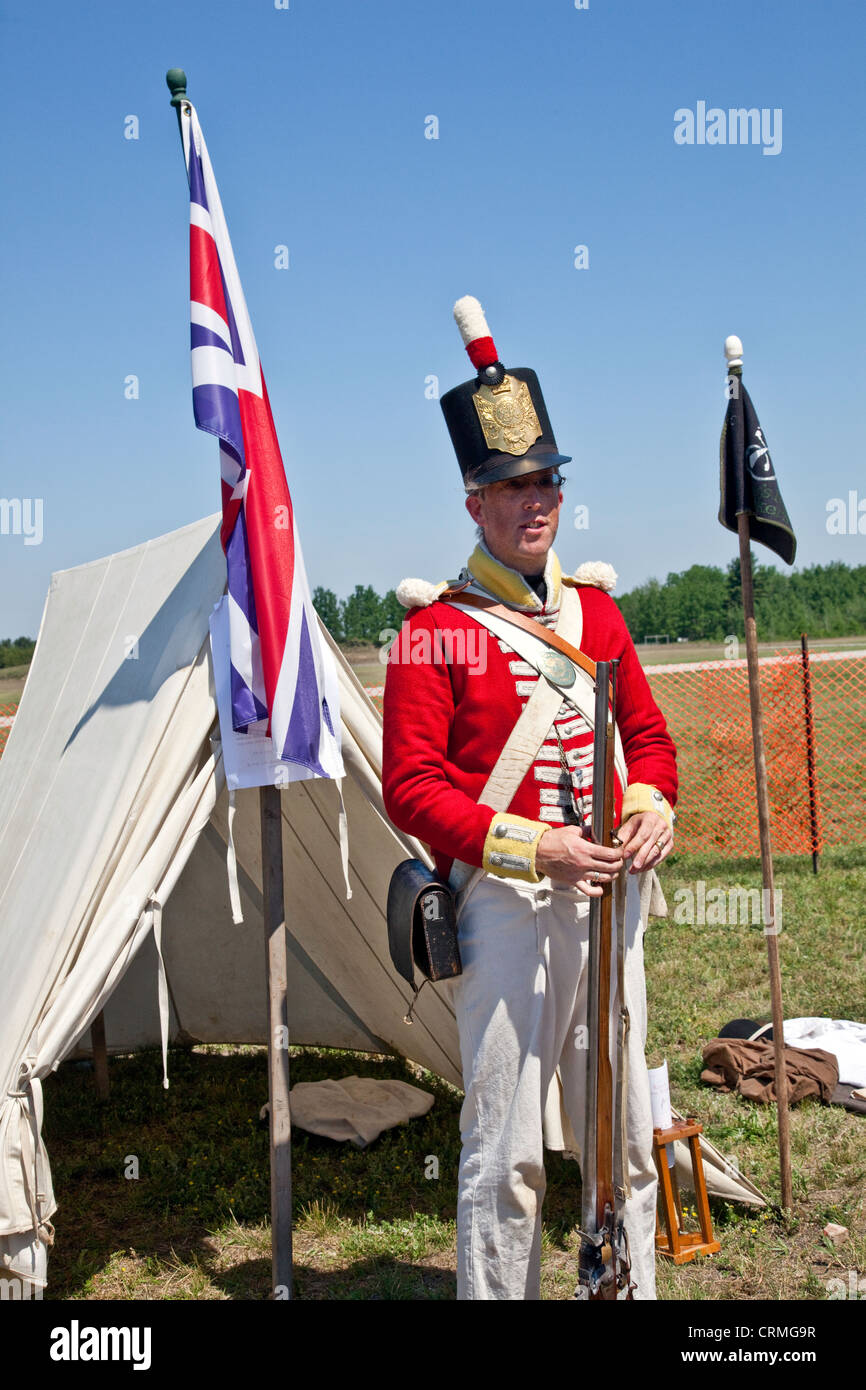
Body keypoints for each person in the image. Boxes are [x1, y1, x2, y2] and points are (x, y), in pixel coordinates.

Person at [382, 297, 678, 1300]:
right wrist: (533, 847)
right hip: (506, 903)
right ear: (474, 500)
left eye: (546, 479)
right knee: (505, 1154)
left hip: (606, 906)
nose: (533, 498)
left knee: (620, 1141)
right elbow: (410, 786)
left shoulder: (595, 610)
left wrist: (650, 808)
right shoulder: (433, 630)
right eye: (511, 484)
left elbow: (647, 739)